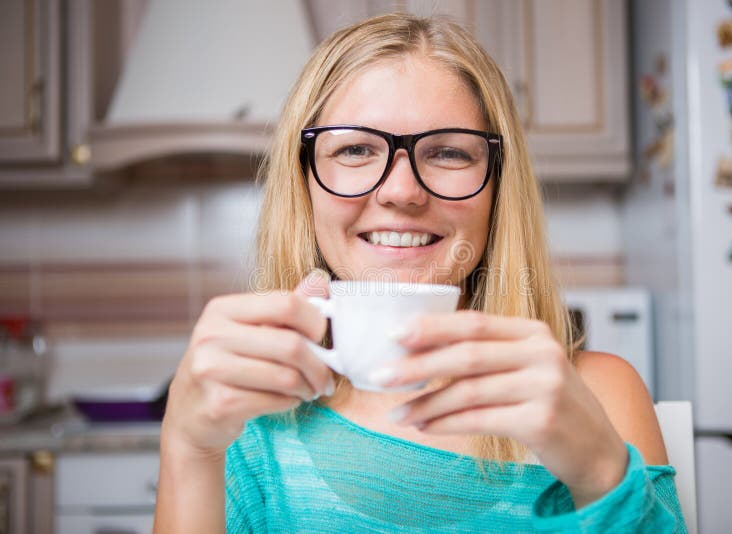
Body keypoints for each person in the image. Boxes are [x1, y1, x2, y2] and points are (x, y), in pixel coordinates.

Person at [153, 13, 687, 533]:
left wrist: (600, 472)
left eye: (448, 152)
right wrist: (187, 446)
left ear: (499, 187)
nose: (402, 191)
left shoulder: (597, 396)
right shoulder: (244, 413)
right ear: (304, 181)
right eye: (356, 149)